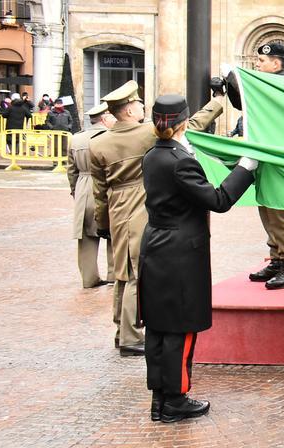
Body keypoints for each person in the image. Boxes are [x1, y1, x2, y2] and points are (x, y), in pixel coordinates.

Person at [139, 94, 259, 423]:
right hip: (180, 252)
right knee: (181, 327)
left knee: (159, 327)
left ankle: (160, 398)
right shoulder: (180, 160)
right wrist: (245, 169)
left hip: (156, 245)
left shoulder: (153, 155)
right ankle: (176, 399)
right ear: (183, 122)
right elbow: (218, 200)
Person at [90, 81, 226, 357]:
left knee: (122, 272)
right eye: (138, 103)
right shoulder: (146, 135)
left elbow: (99, 192)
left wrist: (103, 223)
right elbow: (190, 126)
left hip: (116, 208)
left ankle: (121, 328)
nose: (142, 107)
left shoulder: (99, 142)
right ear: (128, 110)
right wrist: (218, 102)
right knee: (136, 274)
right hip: (139, 203)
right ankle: (130, 336)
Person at [246, 41, 284, 289]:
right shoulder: (267, 84)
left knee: (279, 209)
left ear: (276, 63)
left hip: (280, 154)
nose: (257, 65)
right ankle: (277, 259)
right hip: (266, 152)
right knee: (267, 206)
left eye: (261, 61)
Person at [69, 102, 115, 288]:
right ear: (104, 118)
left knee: (86, 237)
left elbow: (71, 171)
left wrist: (76, 192)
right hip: (105, 186)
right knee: (114, 234)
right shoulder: (110, 138)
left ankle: (89, 278)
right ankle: (113, 275)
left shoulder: (76, 139)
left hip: (83, 187)